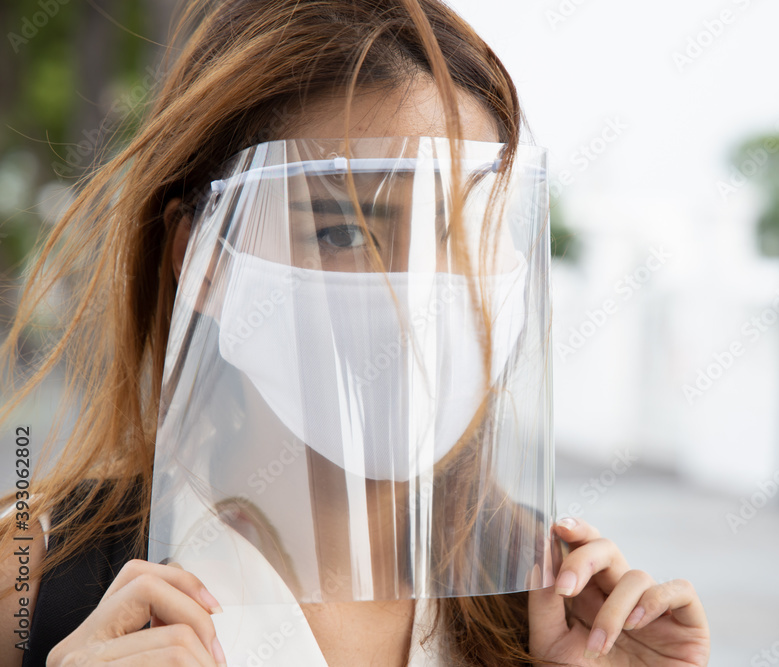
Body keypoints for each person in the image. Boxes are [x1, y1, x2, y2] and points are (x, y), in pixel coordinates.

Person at [0, 0, 711, 665]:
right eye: (342, 231)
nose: (415, 301)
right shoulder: (32, 575)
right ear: (205, 259)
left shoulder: (552, 598)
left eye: (466, 234)